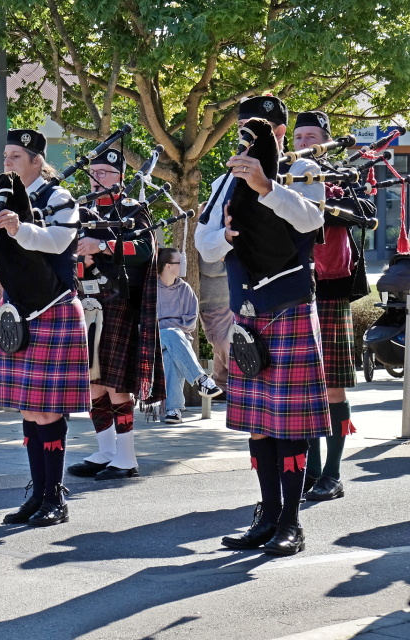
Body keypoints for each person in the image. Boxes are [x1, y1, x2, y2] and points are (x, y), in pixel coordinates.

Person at [196, 95, 329, 556]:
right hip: (247, 310)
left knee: (289, 423)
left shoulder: (302, 174)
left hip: (289, 304)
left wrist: (268, 186)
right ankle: (268, 513)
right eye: (244, 129)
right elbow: (203, 242)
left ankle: (291, 522)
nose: (249, 138)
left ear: (278, 130)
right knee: (259, 423)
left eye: (262, 128)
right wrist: (223, 238)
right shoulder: (223, 181)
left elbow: (312, 222)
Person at [0, 129, 90, 527]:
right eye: (6, 155)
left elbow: (60, 241)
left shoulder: (58, 198)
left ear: (35, 161)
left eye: (15, 156)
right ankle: (37, 491)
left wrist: (19, 229)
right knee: (30, 411)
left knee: (47, 411)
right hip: (19, 310)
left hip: (54, 308)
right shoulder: (5, 200)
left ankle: (54, 496)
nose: (8, 162)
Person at [67, 149, 164, 481]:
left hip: (119, 303)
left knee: (115, 384)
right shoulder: (81, 212)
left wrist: (103, 247)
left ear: (120, 177)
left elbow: (145, 250)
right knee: (93, 383)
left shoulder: (134, 211)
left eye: (104, 173)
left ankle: (126, 457)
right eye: (93, 173)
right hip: (87, 301)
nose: (96, 179)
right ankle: (106, 450)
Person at [294, 111, 373, 501]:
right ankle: (307, 470)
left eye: (312, 135)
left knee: (332, 390)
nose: (304, 142)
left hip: (329, 291)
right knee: (304, 390)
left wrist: (330, 203)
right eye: (298, 136)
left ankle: (333, 472)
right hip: (290, 291)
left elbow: (370, 215)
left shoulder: (342, 180)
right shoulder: (279, 179)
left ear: (325, 139)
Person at [156, 247, 222, 423]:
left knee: (170, 354)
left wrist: (167, 326)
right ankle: (201, 379)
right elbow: (149, 322)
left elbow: (190, 323)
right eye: (180, 262)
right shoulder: (151, 289)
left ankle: (173, 410)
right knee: (171, 334)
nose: (183, 265)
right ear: (168, 266)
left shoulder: (185, 289)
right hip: (155, 340)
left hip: (179, 341)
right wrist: (170, 328)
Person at [198, 253, 231, 397]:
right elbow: (211, 268)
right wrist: (231, 262)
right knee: (221, 343)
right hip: (212, 303)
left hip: (229, 301)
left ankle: (221, 385)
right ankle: (240, 379)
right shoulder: (207, 236)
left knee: (224, 342)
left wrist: (226, 260)